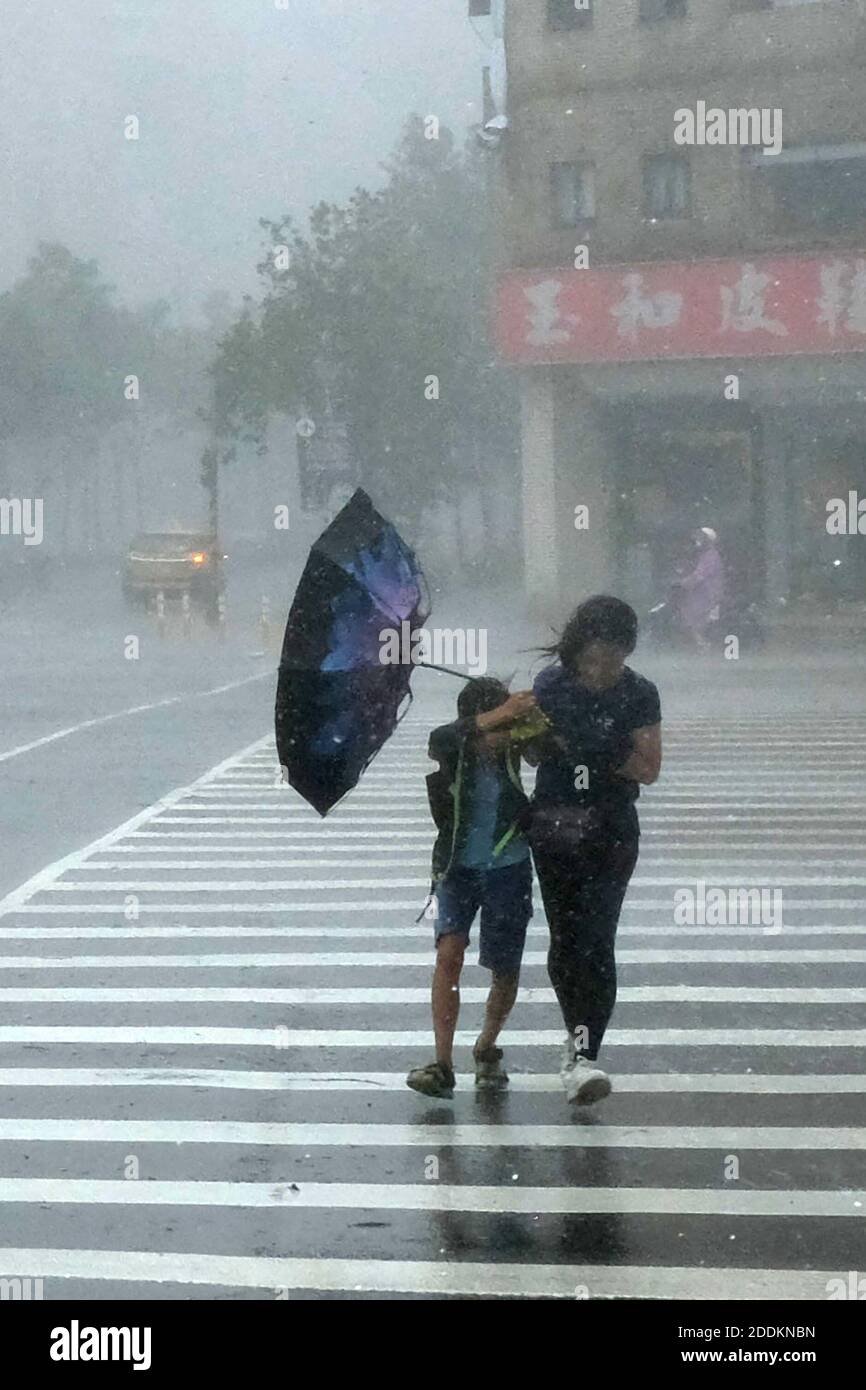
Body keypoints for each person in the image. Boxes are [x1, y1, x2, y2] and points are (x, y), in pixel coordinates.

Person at [526, 596, 662, 1105]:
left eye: (617, 656)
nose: (606, 666)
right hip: (556, 823)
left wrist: (598, 746)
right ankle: (575, 1039)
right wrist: (533, 733)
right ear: (579, 648)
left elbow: (650, 766)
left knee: (599, 936)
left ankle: (585, 1056)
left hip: (611, 827)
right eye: (598, 655)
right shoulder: (551, 687)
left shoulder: (639, 693)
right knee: (566, 936)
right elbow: (534, 754)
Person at [407, 678, 537, 1100]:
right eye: (487, 729)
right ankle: (442, 1063)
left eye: (504, 729)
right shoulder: (452, 747)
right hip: (456, 867)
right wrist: (496, 718)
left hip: (509, 868)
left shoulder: (519, 750)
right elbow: (441, 736)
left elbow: (551, 742)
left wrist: (531, 716)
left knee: (505, 968)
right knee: (449, 953)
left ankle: (486, 1045)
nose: (495, 739)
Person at [672, 526, 725, 649]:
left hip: (706, 596)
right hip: (700, 595)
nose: (697, 541)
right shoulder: (705, 555)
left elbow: (699, 575)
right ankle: (701, 644)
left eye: (701, 538)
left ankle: (704, 645)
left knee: (694, 620)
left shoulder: (711, 556)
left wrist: (682, 583)